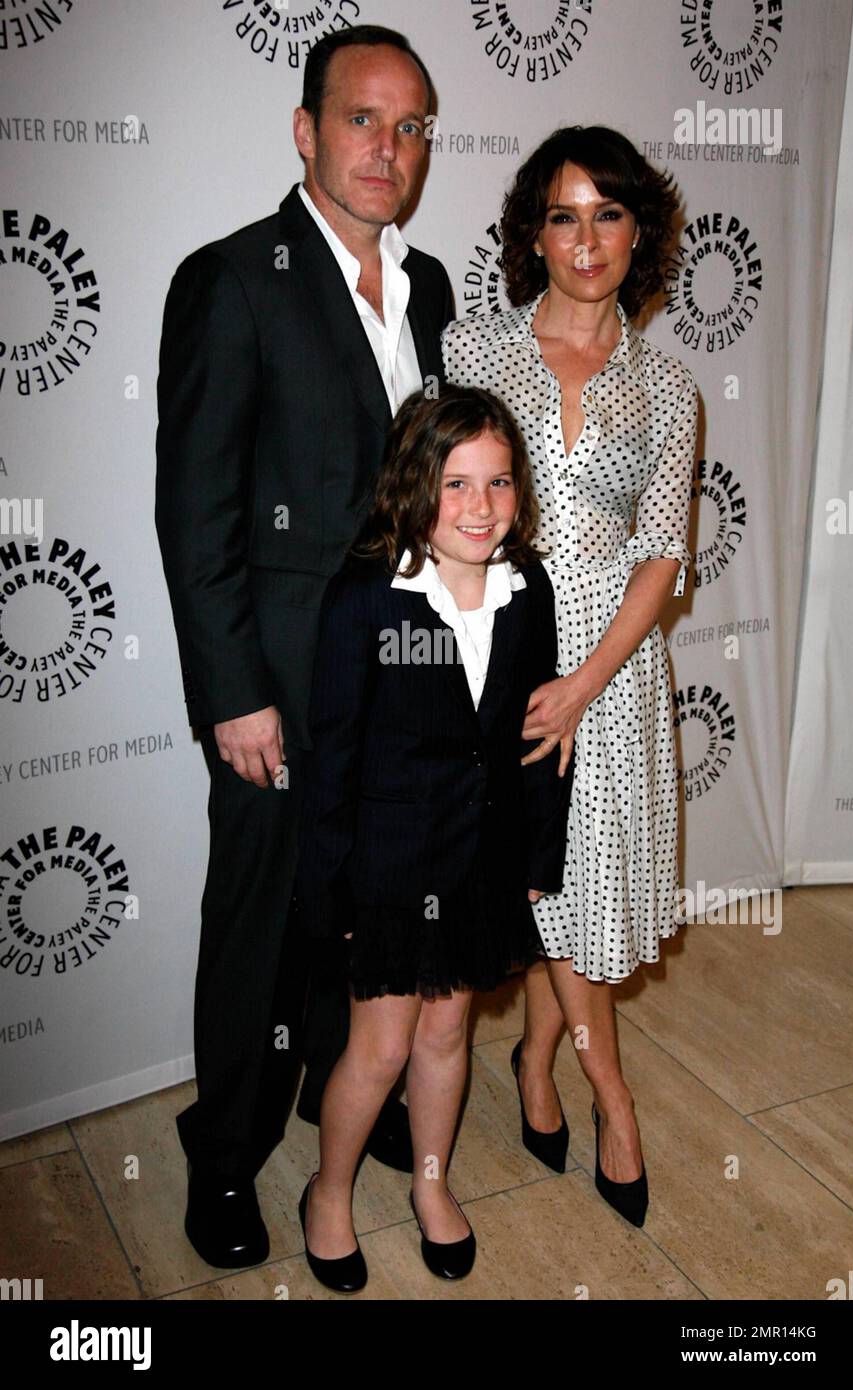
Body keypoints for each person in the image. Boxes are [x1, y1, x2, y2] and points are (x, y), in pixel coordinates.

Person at [154, 25, 453, 1269]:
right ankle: (223, 1153)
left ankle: (355, 1092)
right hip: (274, 687)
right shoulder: (234, 278)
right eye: (363, 121)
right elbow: (195, 507)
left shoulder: (429, 288)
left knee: (367, 914)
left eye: (414, 127)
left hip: (396, 682)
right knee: (262, 926)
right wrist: (232, 695)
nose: (390, 150)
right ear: (305, 130)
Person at [442, 126, 698, 1228]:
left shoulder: (670, 385)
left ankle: (537, 1065)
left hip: (614, 667)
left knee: (578, 901)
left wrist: (589, 679)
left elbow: (661, 555)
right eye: (561, 214)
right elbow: (442, 510)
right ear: (530, 233)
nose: (584, 238)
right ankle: (610, 1096)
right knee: (548, 891)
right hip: (502, 656)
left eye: (606, 213)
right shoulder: (474, 352)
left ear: (636, 233)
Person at [291, 385, 573, 1292]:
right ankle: (329, 1193)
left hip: (479, 865)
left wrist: (537, 858)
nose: (480, 508)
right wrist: (331, 889)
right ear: (413, 485)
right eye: (456, 485)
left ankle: (431, 1184)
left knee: (448, 1037)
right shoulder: (366, 601)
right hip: (388, 868)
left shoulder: (529, 593)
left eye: (498, 484)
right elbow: (331, 762)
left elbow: (536, 742)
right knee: (378, 1048)